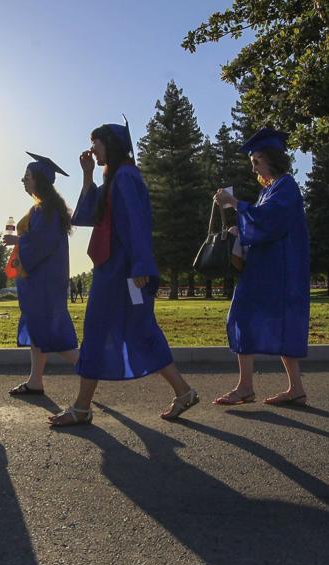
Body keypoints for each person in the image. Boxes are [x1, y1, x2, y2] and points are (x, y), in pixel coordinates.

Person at [49, 121, 199, 426]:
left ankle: (82, 407)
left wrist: (141, 265)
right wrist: (88, 174)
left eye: (96, 144)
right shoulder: (115, 177)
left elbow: (137, 222)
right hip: (113, 269)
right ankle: (182, 392)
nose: (92, 149)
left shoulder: (127, 176)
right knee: (117, 330)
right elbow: (90, 214)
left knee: (122, 330)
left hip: (126, 272)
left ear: (111, 144)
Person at [213, 128, 310, 406]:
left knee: (243, 315)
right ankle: (295, 389)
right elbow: (259, 224)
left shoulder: (286, 187)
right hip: (269, 267)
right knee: (276, 322)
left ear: (273, 160)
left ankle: (247, 387)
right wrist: (238, 227)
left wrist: (235, 204)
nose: (253, 166)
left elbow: (268, 221)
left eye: (257, 160)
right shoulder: (272, 189)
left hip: (277, 270)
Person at [6, 152, 79, 396]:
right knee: (39, 329)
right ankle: (35, 381)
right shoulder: (44, 208)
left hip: (44, 281)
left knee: (52, 332)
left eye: (27, 176)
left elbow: (40, 244)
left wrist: (17, 239)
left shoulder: (46, 210)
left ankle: (90, 369)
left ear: (39, 179)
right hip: (43, 279)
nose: (23, 180)